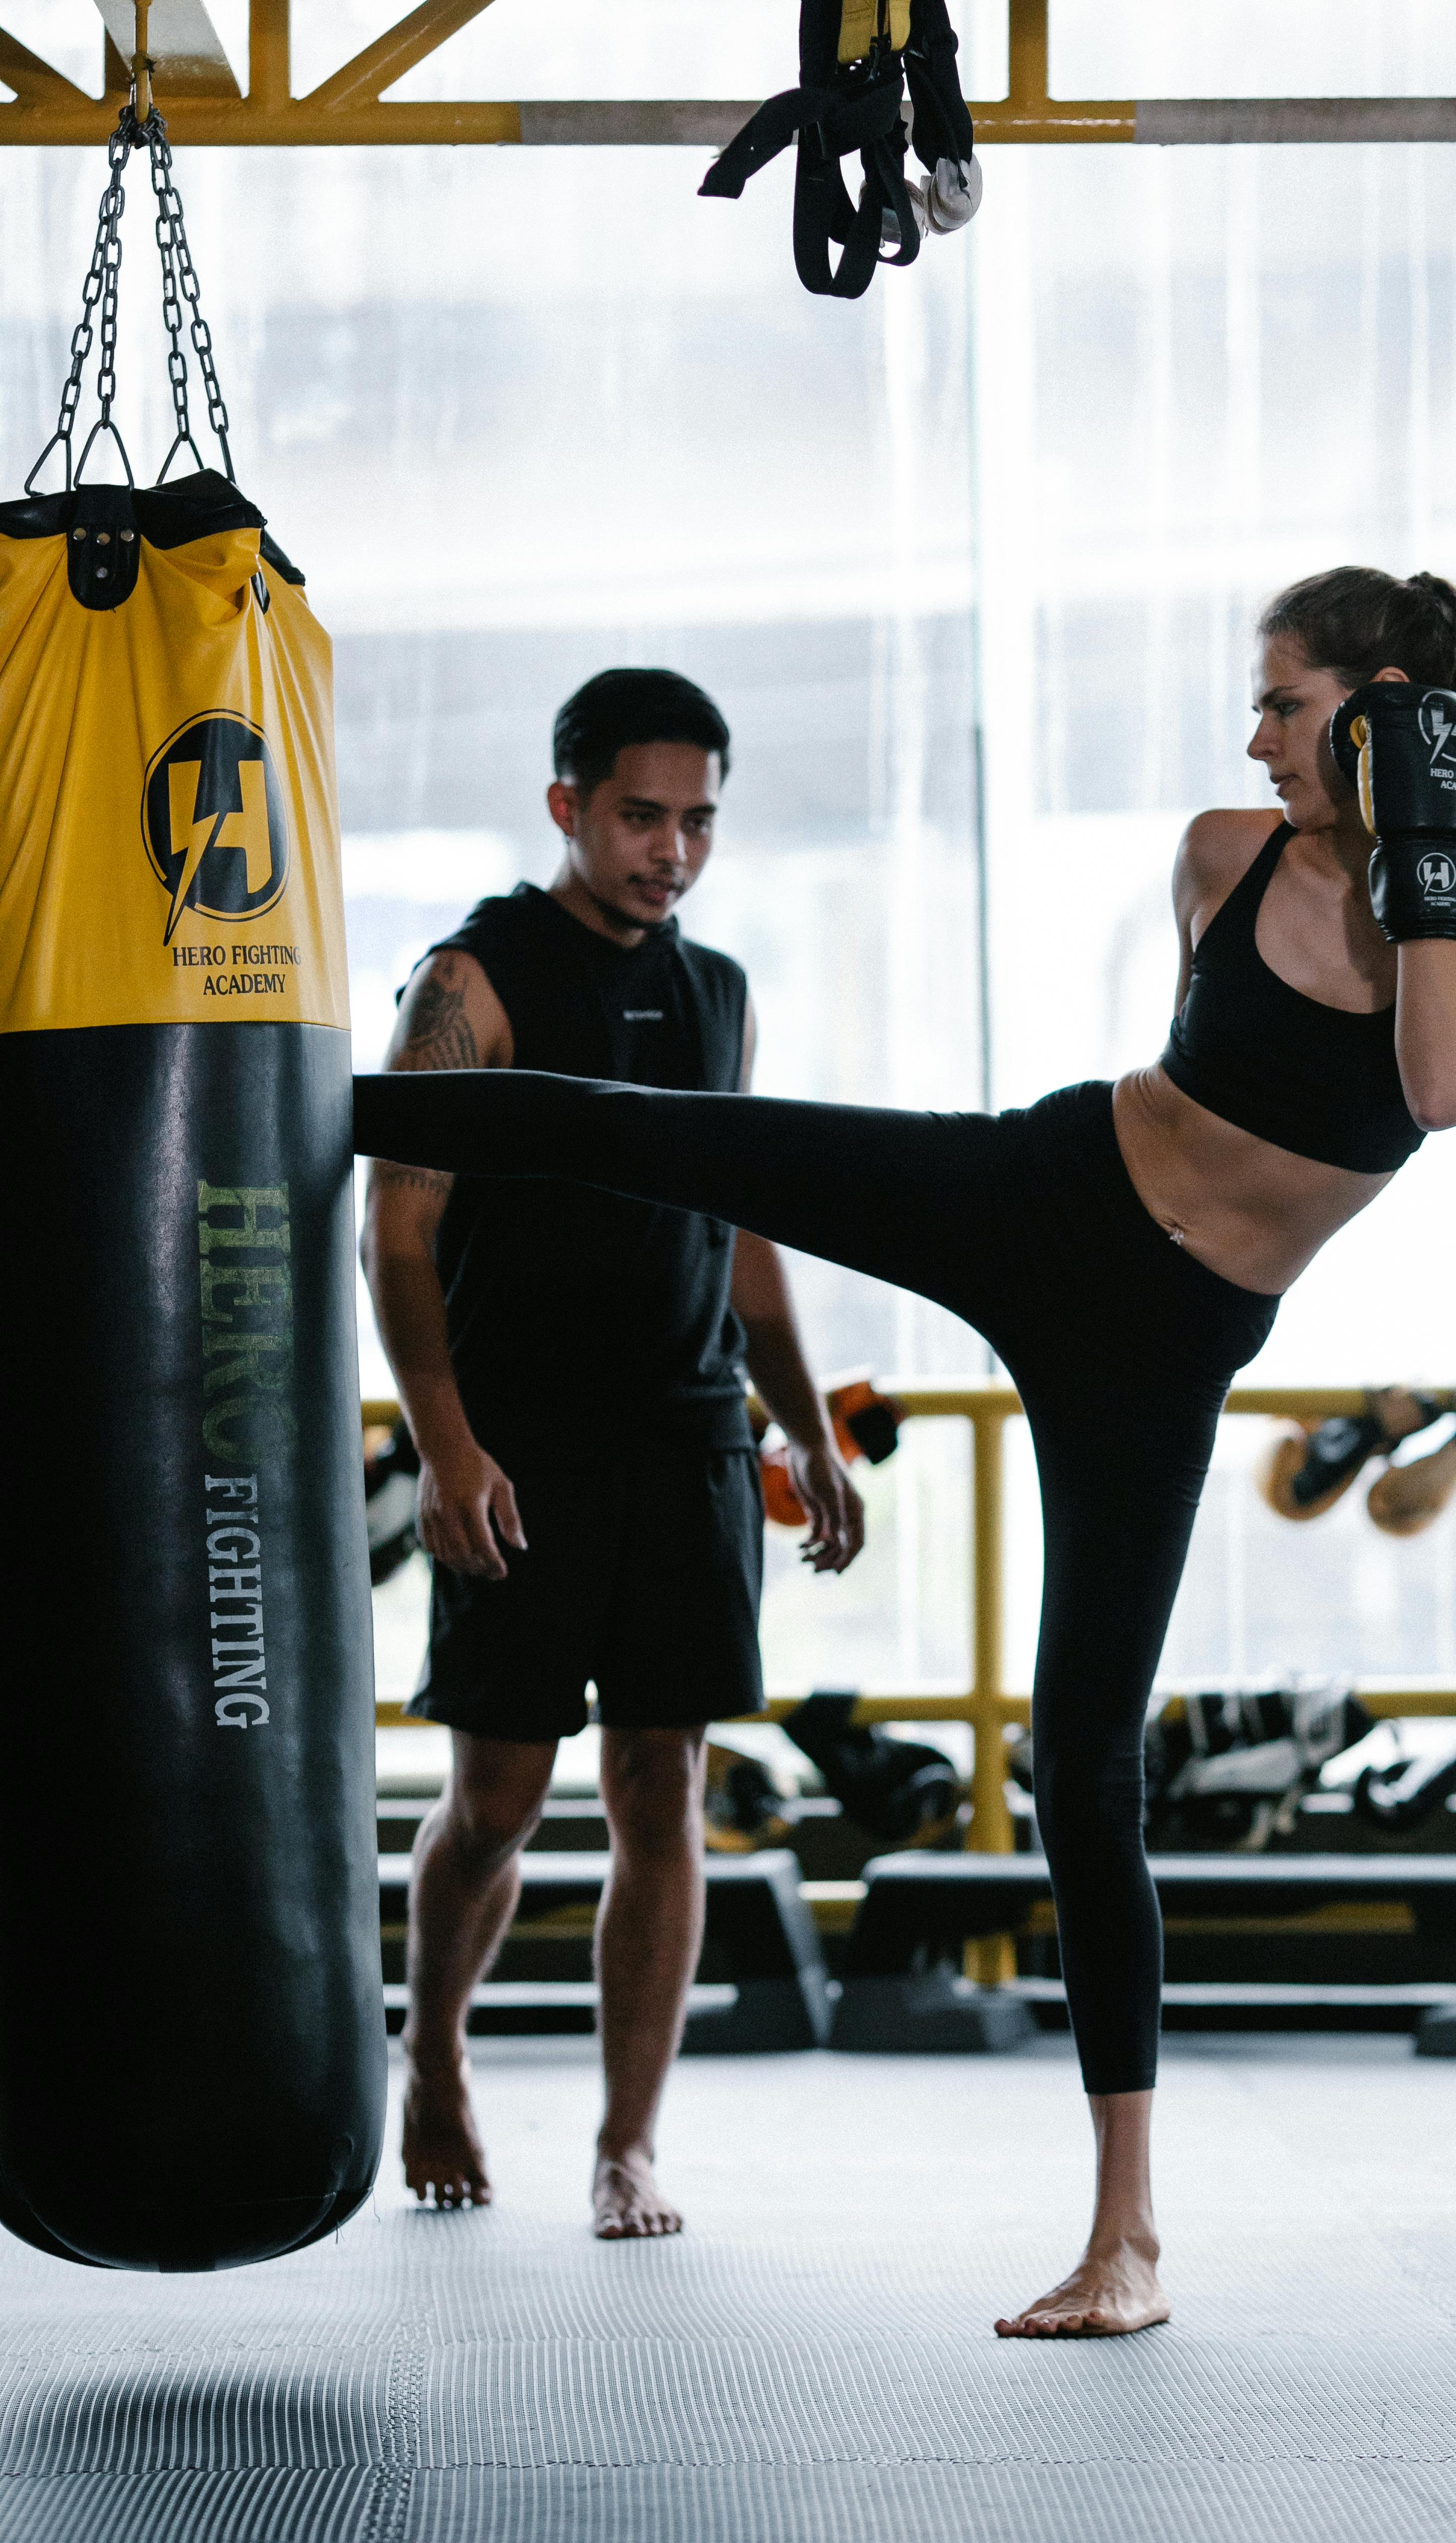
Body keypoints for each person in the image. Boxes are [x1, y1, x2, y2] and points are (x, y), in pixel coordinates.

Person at [353, 569, 1456, 2330]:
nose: (1252, 737)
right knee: (677, 1144)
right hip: (1048, 1197)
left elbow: (1432, 1090)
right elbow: (1221, 1073)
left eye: (1284, 703)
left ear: (1381, 710)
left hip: (1165, 1349)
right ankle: (282, 1094)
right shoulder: (1229, 852)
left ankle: (1125, 2242)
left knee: (1081, 1763)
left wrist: (1430, 849)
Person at [361, 668, 864, 2237]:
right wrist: (444, 1450)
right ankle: (432, 2058)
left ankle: (626, 2143)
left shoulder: (719, 991)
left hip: (690, 1436)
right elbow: (397, 1229)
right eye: (643, 817)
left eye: (700, 821)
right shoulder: (477, 977)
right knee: (500, 1799)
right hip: (521, 1450)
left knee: (669, 1786)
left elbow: (747, 1224)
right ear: (569, 805)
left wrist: (802, 1422)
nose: (674, 851)